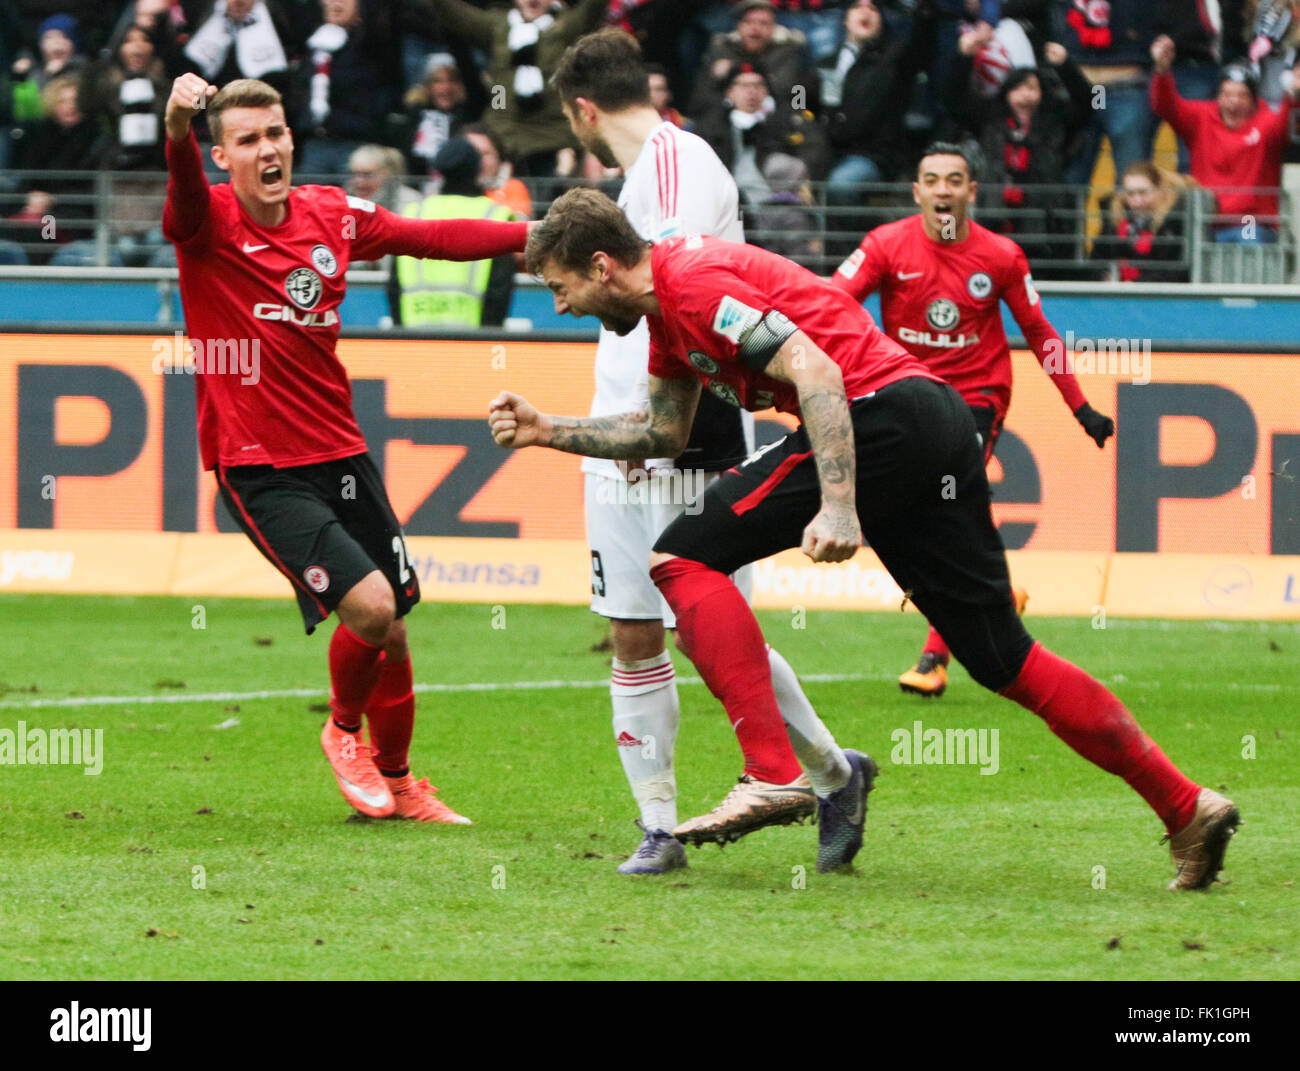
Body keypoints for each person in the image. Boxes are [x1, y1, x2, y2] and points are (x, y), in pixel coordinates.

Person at [491, 185, 1240, 892]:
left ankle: (774, 770)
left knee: (680, 556)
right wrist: (546, 430)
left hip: (878, 416)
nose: (561, 306)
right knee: (1003, 658)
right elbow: (662, 430)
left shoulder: (690, 283)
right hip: (934, 423)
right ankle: (1187, 806)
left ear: (602, 266)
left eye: (562, 289)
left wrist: (841, 503)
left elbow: (815, 369)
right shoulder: (668, 318)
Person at [161, 73, 529, 824]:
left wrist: (536, 234)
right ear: (222, 155)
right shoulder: (207, 223)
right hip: (258, 463)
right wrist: (174, 131)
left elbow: (431, 238)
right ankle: (342, 730)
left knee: (392, 627)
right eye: (248, 140)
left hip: (341, 452)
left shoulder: (333, 214)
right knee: (368, 608)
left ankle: (399, 783)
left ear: (291, 137)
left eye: (276, 133)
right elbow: (182, 197)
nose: (268, 149)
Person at [551, 28, 859, 875]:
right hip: (619, 436)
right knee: (630, 632)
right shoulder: (632, 179)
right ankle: (661, 825)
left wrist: (658, 425)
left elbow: (679, 289)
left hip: (689, 432)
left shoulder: (680, 160)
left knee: (708, 629)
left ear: (582, 109)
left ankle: (829, 774)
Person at [830, 141, 1114, 696]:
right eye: (931, 180)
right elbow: (834, 300)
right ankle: (997, 599)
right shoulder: (885, 245)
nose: (942, 190)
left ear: (970, 192)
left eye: (953, 180)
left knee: (944, 508)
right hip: (906, 394)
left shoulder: (1002, 256)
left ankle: (934, 658)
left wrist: (1080, 406)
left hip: (975, 400)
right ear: (916, 192)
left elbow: (1040, 333)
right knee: (906, 517)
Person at [1149, 35, 1297, 242]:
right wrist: (1162, 70)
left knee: (1249, 247)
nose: (1233, 102)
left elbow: (1286, 120)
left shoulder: (1267, 122)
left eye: (1241, 95)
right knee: (1188, 249)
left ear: (1254, 100)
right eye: (1226, 95)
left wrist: (1293, 94)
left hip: (1251, 221)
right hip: (1206, 221)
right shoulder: (1200, 118)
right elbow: (1165, 106)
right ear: (1218, 96)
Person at [392, 135, 515, 327]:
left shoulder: (411, 213)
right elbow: (500, 289)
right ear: (477, 168)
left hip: (413, 339)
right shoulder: (496, 215)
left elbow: (394, 285)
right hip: (471, 342)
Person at [1090, 161, 1192, 282]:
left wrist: (1136, 285)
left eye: (1143, 193)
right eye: (1130, 194)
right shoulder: (1115, 218)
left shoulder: (1174, 220)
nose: (1137, 200)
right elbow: (1097, 259)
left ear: (1159, 190)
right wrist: (1105, 277)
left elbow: (1176, 270)